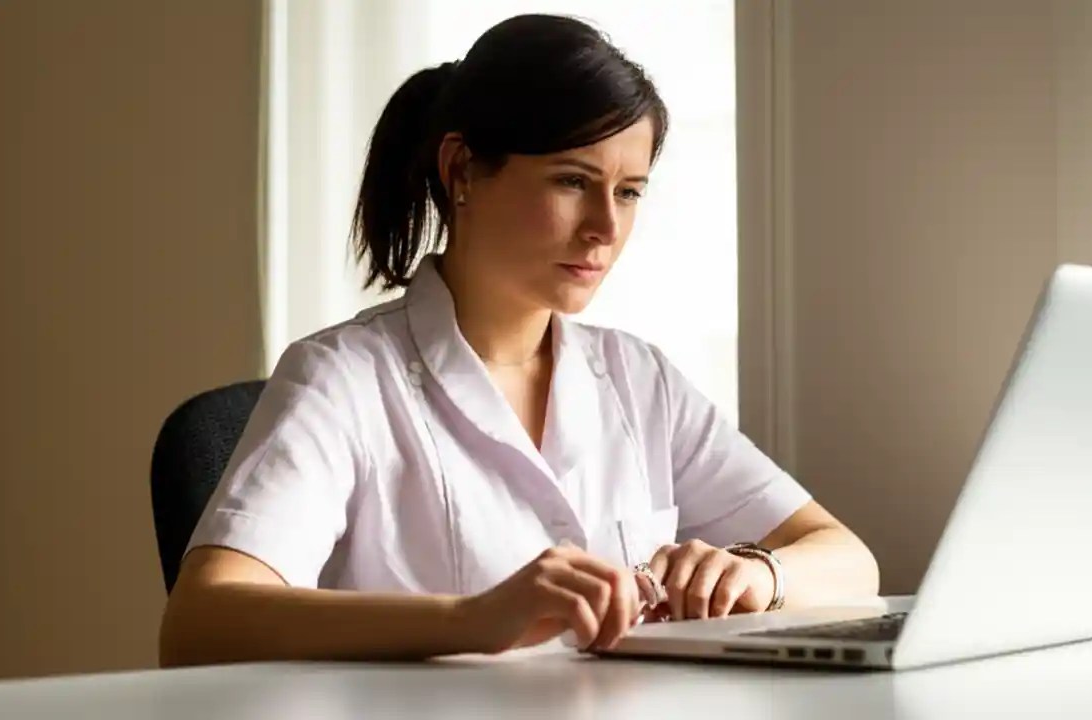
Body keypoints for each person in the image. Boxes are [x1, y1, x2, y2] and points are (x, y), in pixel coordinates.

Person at [159, 13, 879, 667]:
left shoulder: (639, 379)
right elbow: (202, 623)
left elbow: (849, 560)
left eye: (628, 191)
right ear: (461, 170)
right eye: (573, 181)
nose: (606, 226)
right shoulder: (343, 379)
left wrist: (759, 571)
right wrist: (474, 619)